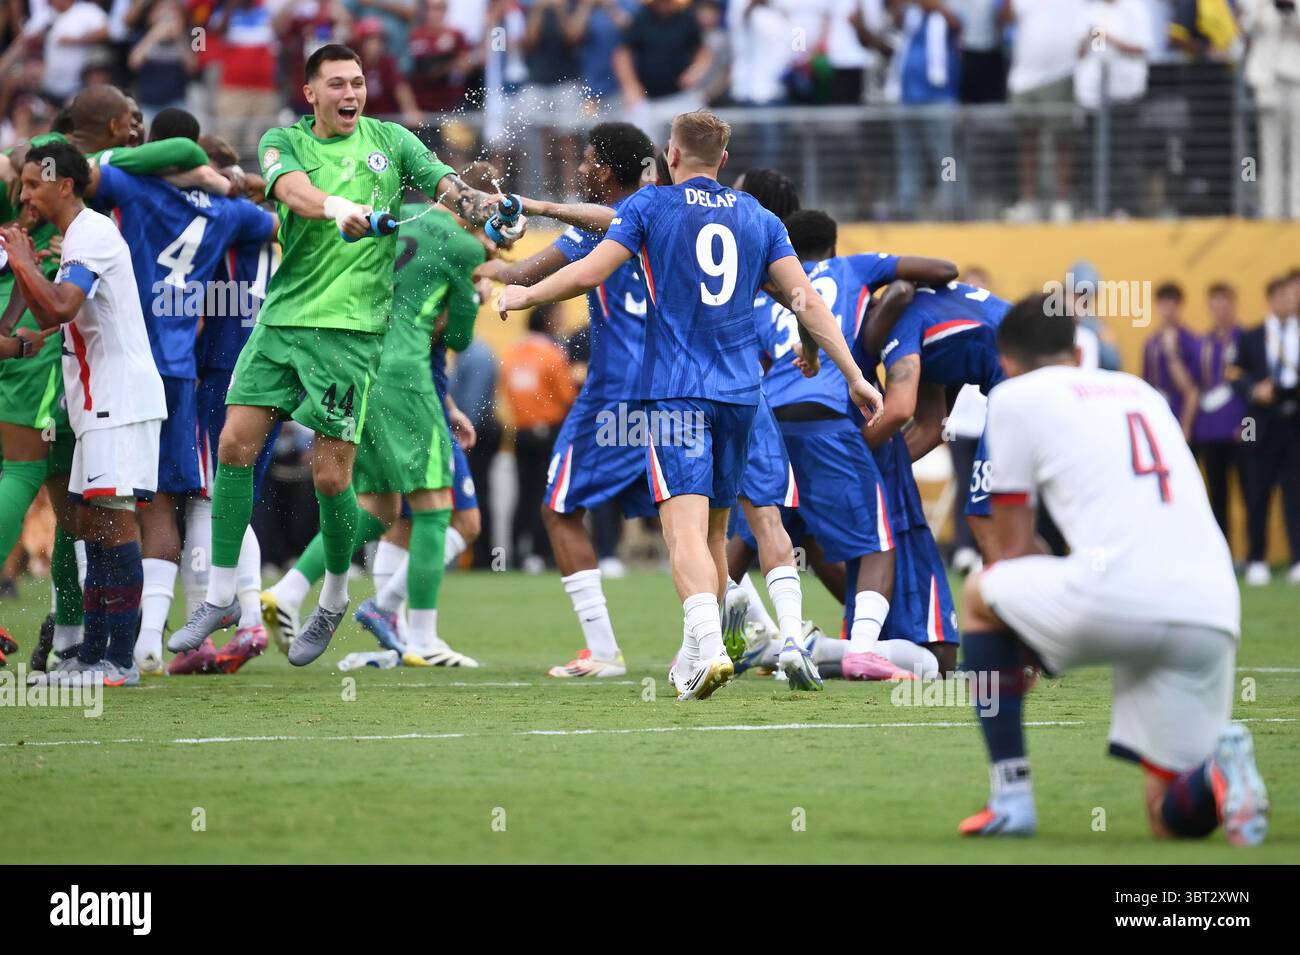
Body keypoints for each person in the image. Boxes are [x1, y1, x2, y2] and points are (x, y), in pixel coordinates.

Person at [498, 110, 884, 701]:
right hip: (740, 396)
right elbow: (804, 300)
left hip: (676, 393)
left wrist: (528, 291)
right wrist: (854, 374)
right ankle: (733, 644)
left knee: (682, 530)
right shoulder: (758, 217)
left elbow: (590, 271)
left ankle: (706, 650)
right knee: (720, 530)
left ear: (671, 157)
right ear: (723, 161)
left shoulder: (650, 207)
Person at [167, 43, 523, 666]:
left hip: (352, 337)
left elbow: (450, 190)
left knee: (334, 479)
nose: (350, 93)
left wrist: (494, 214)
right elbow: (295, 192)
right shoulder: (284, 140)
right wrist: (339, 208)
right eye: (336, 84)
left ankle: (331, 597)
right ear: (311, 93)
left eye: (357, 82)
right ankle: (221, 595)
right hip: (281, 321)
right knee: (232, 446)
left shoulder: (392, 140)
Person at [958, 294, 1268, 846]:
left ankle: (1011, 798)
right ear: (1078, 351)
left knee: (981, 593)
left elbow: (1009, 547)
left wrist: (1020, 647)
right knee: (1166, 816)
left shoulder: (1014, 397)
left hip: (1115, 594)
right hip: (1212, 605)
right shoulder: (1141, 391)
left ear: (1005, 361)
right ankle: (1215, 774)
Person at [87, 109, 278, 677]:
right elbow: (280, 215)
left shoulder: (137, 187)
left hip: (120, 360)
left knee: (108, 501)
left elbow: (90, 166)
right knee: (192, 497)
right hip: (180, 369)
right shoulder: (227, 211)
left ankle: (108, 637)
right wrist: (232, 182)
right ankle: (186, 630)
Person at [474, 122, 654, 678]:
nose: (578, 169)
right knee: (692, 520)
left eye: (586, 160)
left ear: (604, 167)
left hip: (616, 394)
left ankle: (602, 651)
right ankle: (763, 633)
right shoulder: (674, 213)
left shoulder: (614, 225)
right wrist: (483, 259)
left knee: (558, 508)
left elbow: (522, 274)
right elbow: (513, 271)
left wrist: (501, 244)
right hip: (685, 388)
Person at [1, 142, 167, 688]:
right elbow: (63, 317)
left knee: (113, 520)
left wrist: (23, 261)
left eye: (32, 184)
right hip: (99, 402)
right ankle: (92, 654)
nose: (23, 194)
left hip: (118, 399)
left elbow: (61, 305)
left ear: (63, 184)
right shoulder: (77, 237)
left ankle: (117, 660)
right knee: (94, 522)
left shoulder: (91, 231)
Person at [868, 278, 1011, 562]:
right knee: (1012, 513)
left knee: (985, 516)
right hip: (1029, 361)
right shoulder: (927, 319)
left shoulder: (899, 325)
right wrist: (877, 470)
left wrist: (851, 458)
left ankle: (1003, 604)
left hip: (1019, 375)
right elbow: (932, 428)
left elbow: (899, 410)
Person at [1232, 275, 1300, 586]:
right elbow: (1233, 374)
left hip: (1294, 417)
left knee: (1295, 492)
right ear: (1272, 298)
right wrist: (1252, 389)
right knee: (1256, 489)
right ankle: (1256, 558)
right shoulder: (1252, 336)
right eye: (1285, 296)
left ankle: (1297, 559)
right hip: (1256, 420)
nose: (1291, 301)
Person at [500, 303, 577, 572]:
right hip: (549, 430)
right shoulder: (553, 354)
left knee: (523, 495)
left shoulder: (512, 352)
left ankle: (516, 555)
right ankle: (542, 554)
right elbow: (568, 395)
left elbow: (507, 391)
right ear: (547, 320)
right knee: (548, 495)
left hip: (521, 431)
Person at [1192, 282, 1248, 540]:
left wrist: (1248, 427)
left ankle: (1254, 556)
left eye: (1225, 304)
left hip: (1243, 430)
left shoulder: (1247, 339)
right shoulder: (1202, 343)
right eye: (1215, 305)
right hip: (1210, 431)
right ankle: (1224, 552)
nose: (1220, 311)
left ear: (1234, 305)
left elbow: (1255, 389)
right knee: (1217, 496)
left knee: (1251, 491)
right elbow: (1195, 387)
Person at [1240, 0, 1300, 220]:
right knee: (1266, 153)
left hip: (1296, 80)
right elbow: (1246, 27)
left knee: (1297, 152)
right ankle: (1270, 213)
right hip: (1267, 81)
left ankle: (1297, 213)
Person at [1141, 281, 1199, 440]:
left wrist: (1185, 425)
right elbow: (1147, 384)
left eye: (1172, 304)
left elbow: (1192, 390)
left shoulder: (1189, 341)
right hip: (1156, 416)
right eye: (1163, 303)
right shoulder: (1152, 342)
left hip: (1178, 414)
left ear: (1179, 305)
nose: (1168, 309)